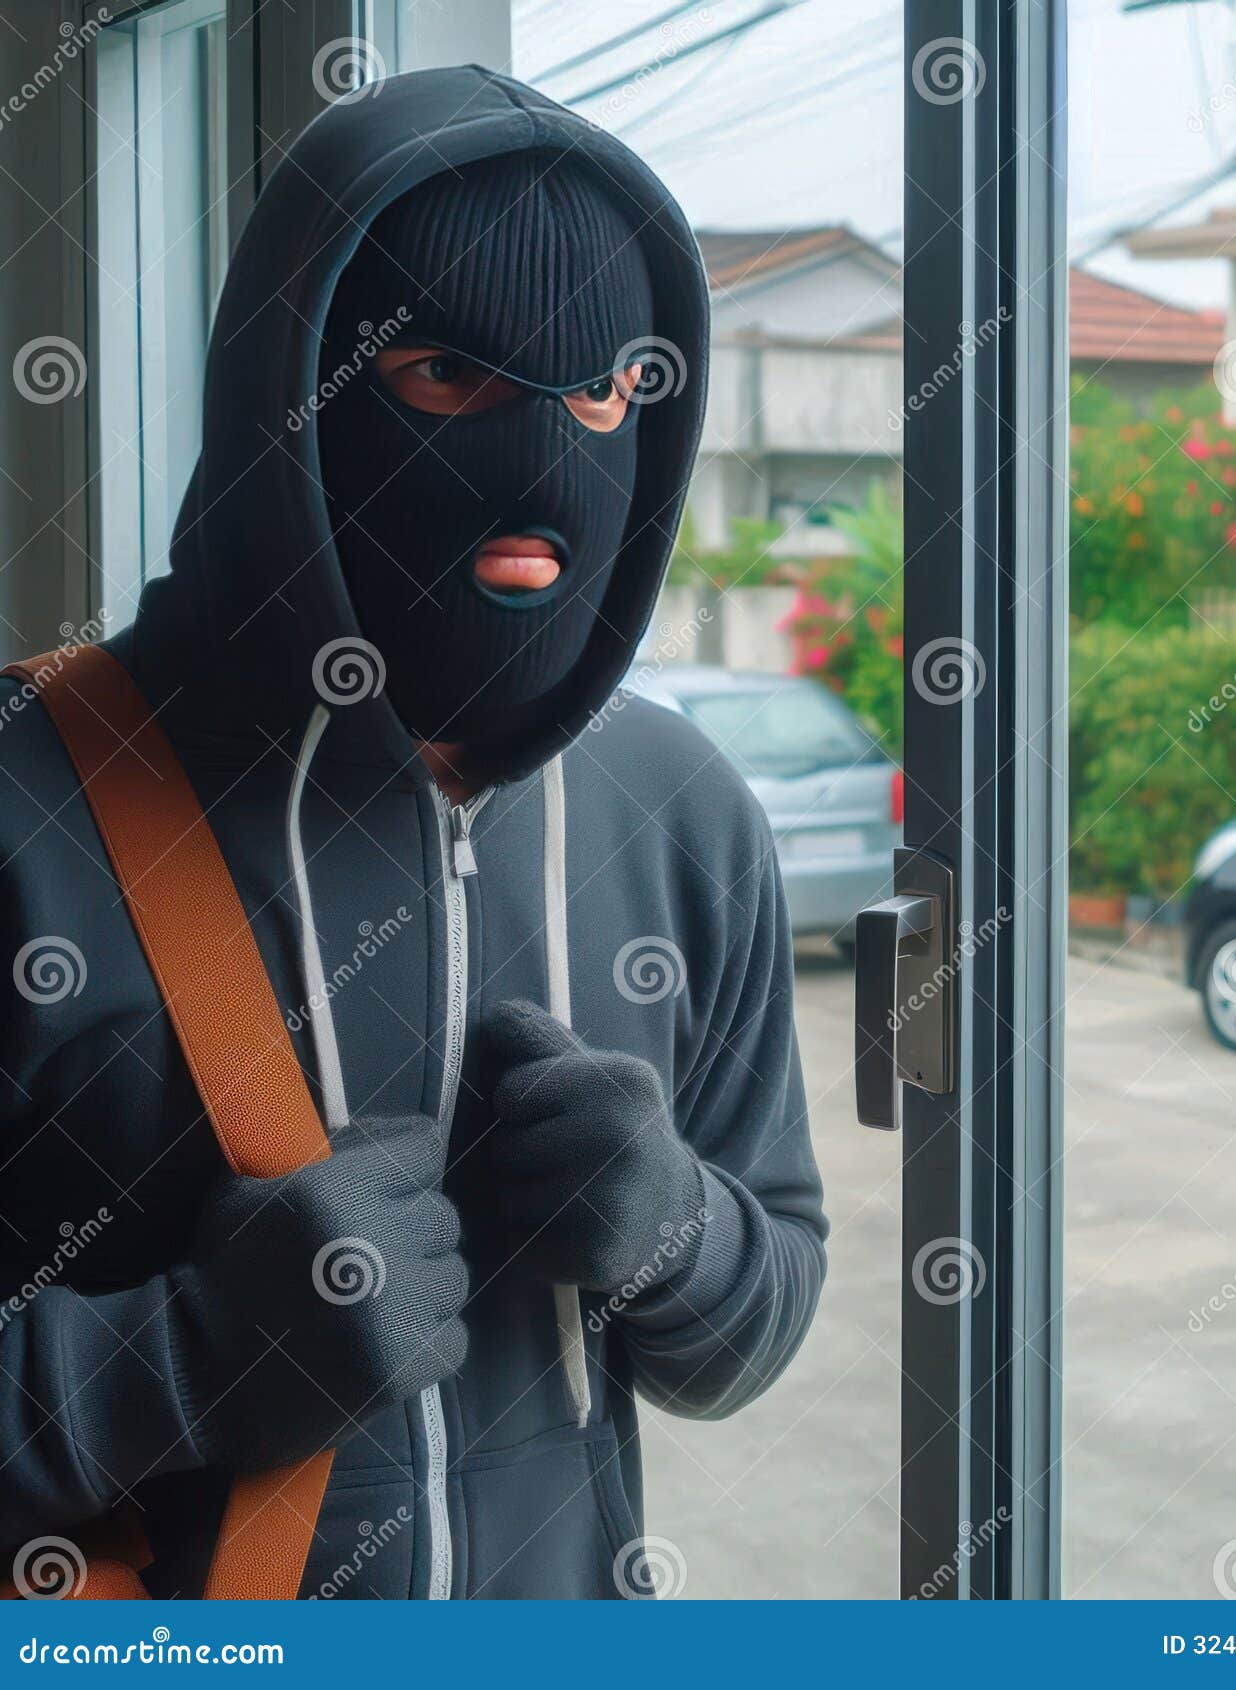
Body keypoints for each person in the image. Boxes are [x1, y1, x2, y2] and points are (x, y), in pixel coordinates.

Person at [0, 65, 826, 1600]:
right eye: (446, 371)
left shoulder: (681, 811)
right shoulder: (25, 797)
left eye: (608, 393)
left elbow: (764, 1307)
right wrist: (181, 1356)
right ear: (285, 382)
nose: (547, 463)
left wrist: (673, 1235)